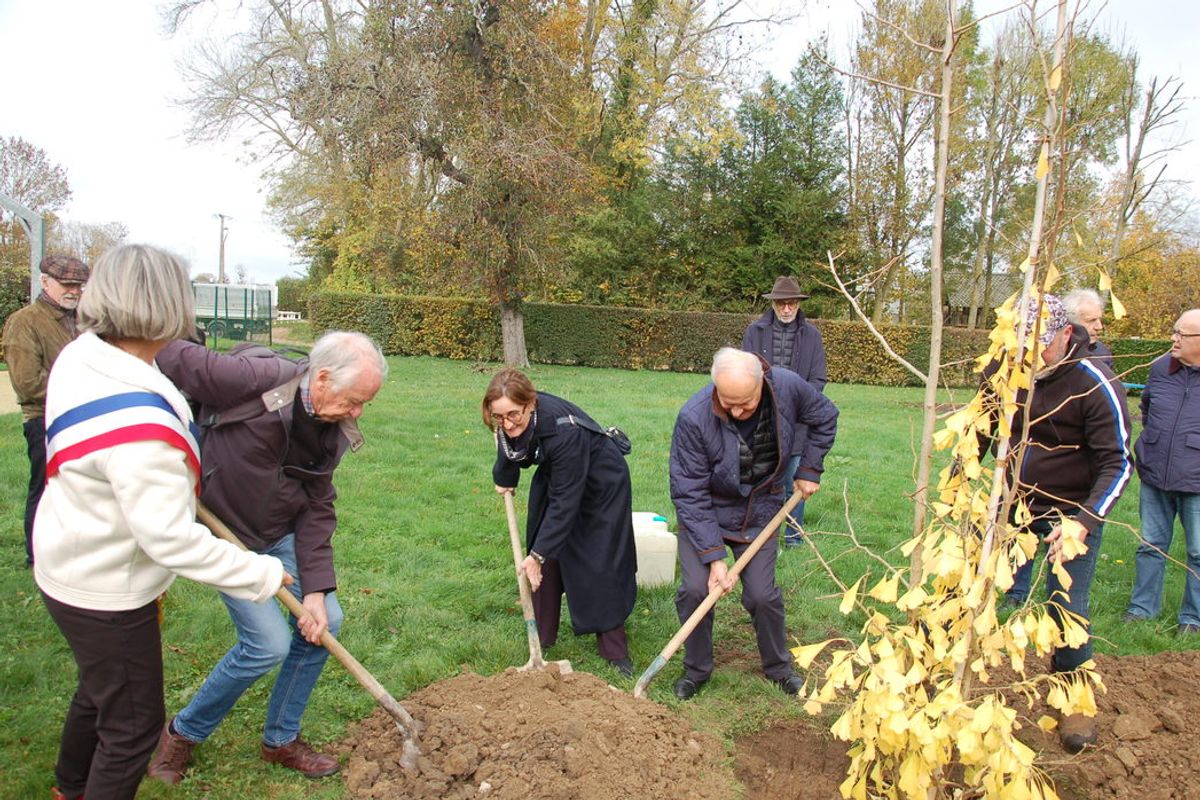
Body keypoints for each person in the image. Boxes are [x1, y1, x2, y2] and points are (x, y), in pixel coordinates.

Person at [33, 244, 287, 800]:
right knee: (131, 727)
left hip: (69, 551)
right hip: (104, 589)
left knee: (100, 692)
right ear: (171, 307)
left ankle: (69, 787)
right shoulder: (140, 428)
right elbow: (171, 539)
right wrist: (262, 574)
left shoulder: (84, 356)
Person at [147, 329, 387, 783]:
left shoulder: (332, 433)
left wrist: (316, 590)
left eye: (364, 405)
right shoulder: (254, 379)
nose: (357, 413)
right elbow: (170, 350)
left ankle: (281, 739)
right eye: (354, 400)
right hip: (226, 538)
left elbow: (318, 505)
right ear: (321, 378)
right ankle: (182, 734)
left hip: (279, 535)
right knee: (265, 645)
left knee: (325, 622)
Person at [984, 293, 1132, 752]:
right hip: (1014, 504)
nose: (1030, 357)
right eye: (1023, 347)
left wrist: (1083, 522)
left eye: (1040, 347)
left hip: (1072, 512)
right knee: (980, 585)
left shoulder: (1093, 382)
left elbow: (1117, 463)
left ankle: (1075, 701)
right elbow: (982, 428)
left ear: (1067, 334)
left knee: (1067, 605)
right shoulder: (1010, 371)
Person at [669, 347, 838, 700]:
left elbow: (825, 416)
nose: (734, 411)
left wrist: (810, 468)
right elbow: (689, 493)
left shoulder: (788, 388)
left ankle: (778, 668)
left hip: (762, 509)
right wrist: (714, 557)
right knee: (696, 591)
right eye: (726, 402)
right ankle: (696, 670)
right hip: (708, 511)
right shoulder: (694, 417)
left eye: (744, 403)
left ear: (761, 384)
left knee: (762, 595)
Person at [484, 368, 638, 677]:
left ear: (531, 404)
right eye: (499, 417)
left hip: (601, 484)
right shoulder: (507, 420)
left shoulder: (563, 428)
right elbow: (508, 446)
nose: (507, 423)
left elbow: (567, 502)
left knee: (599, 559)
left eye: (514, 415)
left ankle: (614, 648)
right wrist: (505, 478)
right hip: (559, 473)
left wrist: (539, 554)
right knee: (542, 545)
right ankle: (541, 636)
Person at [3, 254, 89, 566]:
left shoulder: (82, 320)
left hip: (81, 418)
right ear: (45, 282)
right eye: (67, 284)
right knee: (45, 489)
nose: (74, 290)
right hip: (44, 420)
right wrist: (81, 393)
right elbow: (27, 384)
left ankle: (72, 548)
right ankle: (36, 556)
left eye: (79, 285)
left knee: (79, 489)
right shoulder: (24, 322)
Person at [1124, 309, 1200, 633]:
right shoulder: (1159, 369)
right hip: (1155, 475)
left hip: (1196, 480)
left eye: (1181, 334)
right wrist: (1150, 445)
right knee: (1150, 545)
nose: (1174, 338)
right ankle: (1141, 610)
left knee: (1198, 553)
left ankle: (1192, 620)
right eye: (1174, 331)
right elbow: (1147, 407)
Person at [742, 275, 828, 545]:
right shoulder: (754, 332)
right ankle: (757, 535)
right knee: (760, 480)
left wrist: (798, 406)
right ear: (774, 304)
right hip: (761, 419)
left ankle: (793, 538)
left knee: (795, 480)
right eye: (782, 304)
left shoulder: (812, 336)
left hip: (798, 421)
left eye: (791, 304)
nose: (787, 309)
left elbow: (818, 379)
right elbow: (745, 372)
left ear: (799, 304)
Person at [1062, 288, 1113, 369]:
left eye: (1100, 319)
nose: (1099, 327)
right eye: (1091, 320)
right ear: (1071, 321)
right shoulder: (1051, 352)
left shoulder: (1102, 354)